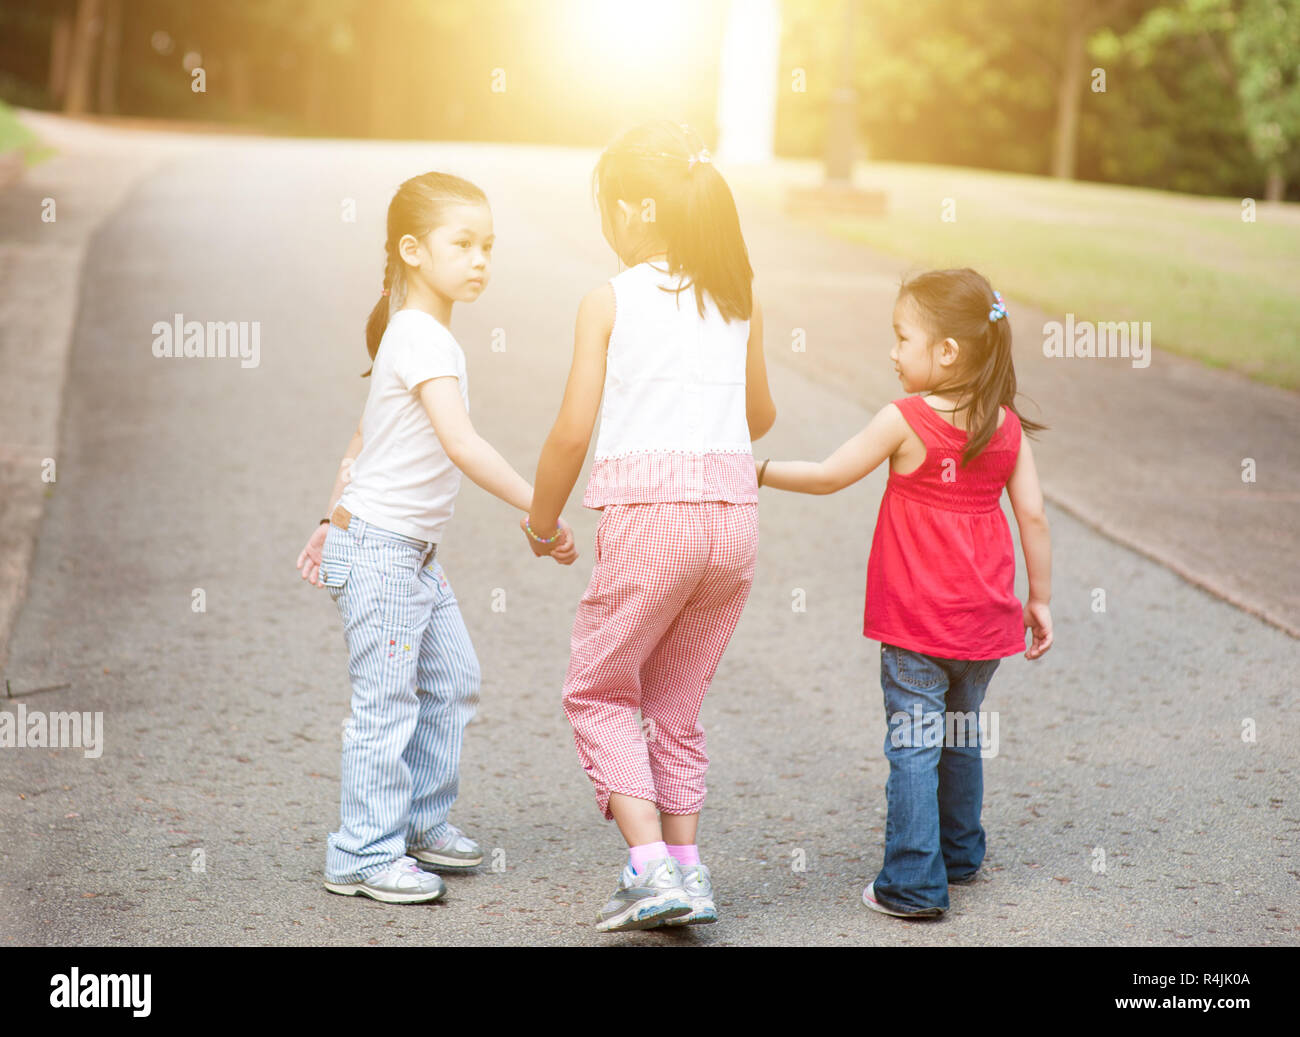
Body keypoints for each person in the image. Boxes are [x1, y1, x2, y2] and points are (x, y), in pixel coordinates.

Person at [296, 170, 576, 904]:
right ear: (414, 250)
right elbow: (463, 443)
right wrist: (540, 509)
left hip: (409, 552)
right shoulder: (420, 335)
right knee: (385, 704)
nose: (481, 259)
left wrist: (331, 519)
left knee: (450, 679)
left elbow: (366, 433)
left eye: (489, 246)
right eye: (465, 244)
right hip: (384, 551)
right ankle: (361, 851)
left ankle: (418, 821)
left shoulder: (417, 332)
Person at [523, 120, 777, 931]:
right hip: (733, 524)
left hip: (651, 522)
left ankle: (648, 866)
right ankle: (689, 869)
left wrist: (541, 515)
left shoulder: (609, 298)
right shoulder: (738, 298)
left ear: (635, 211)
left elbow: (571, 430)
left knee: (597, 688)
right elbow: (760, 414)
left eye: (606, 208)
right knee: (675, 701)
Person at [758, 267, 1053, 918]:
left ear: (946, 351)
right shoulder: (1004, 427)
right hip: (984, 625)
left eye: (901, 338)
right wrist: (1041, 598)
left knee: (914, 742)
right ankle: (959, 851)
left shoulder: (905, 419)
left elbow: (831, 475)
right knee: (960, 729)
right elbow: (1032, 515)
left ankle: (913, 883)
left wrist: (758, 469)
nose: (891, 352)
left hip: (918, 623)